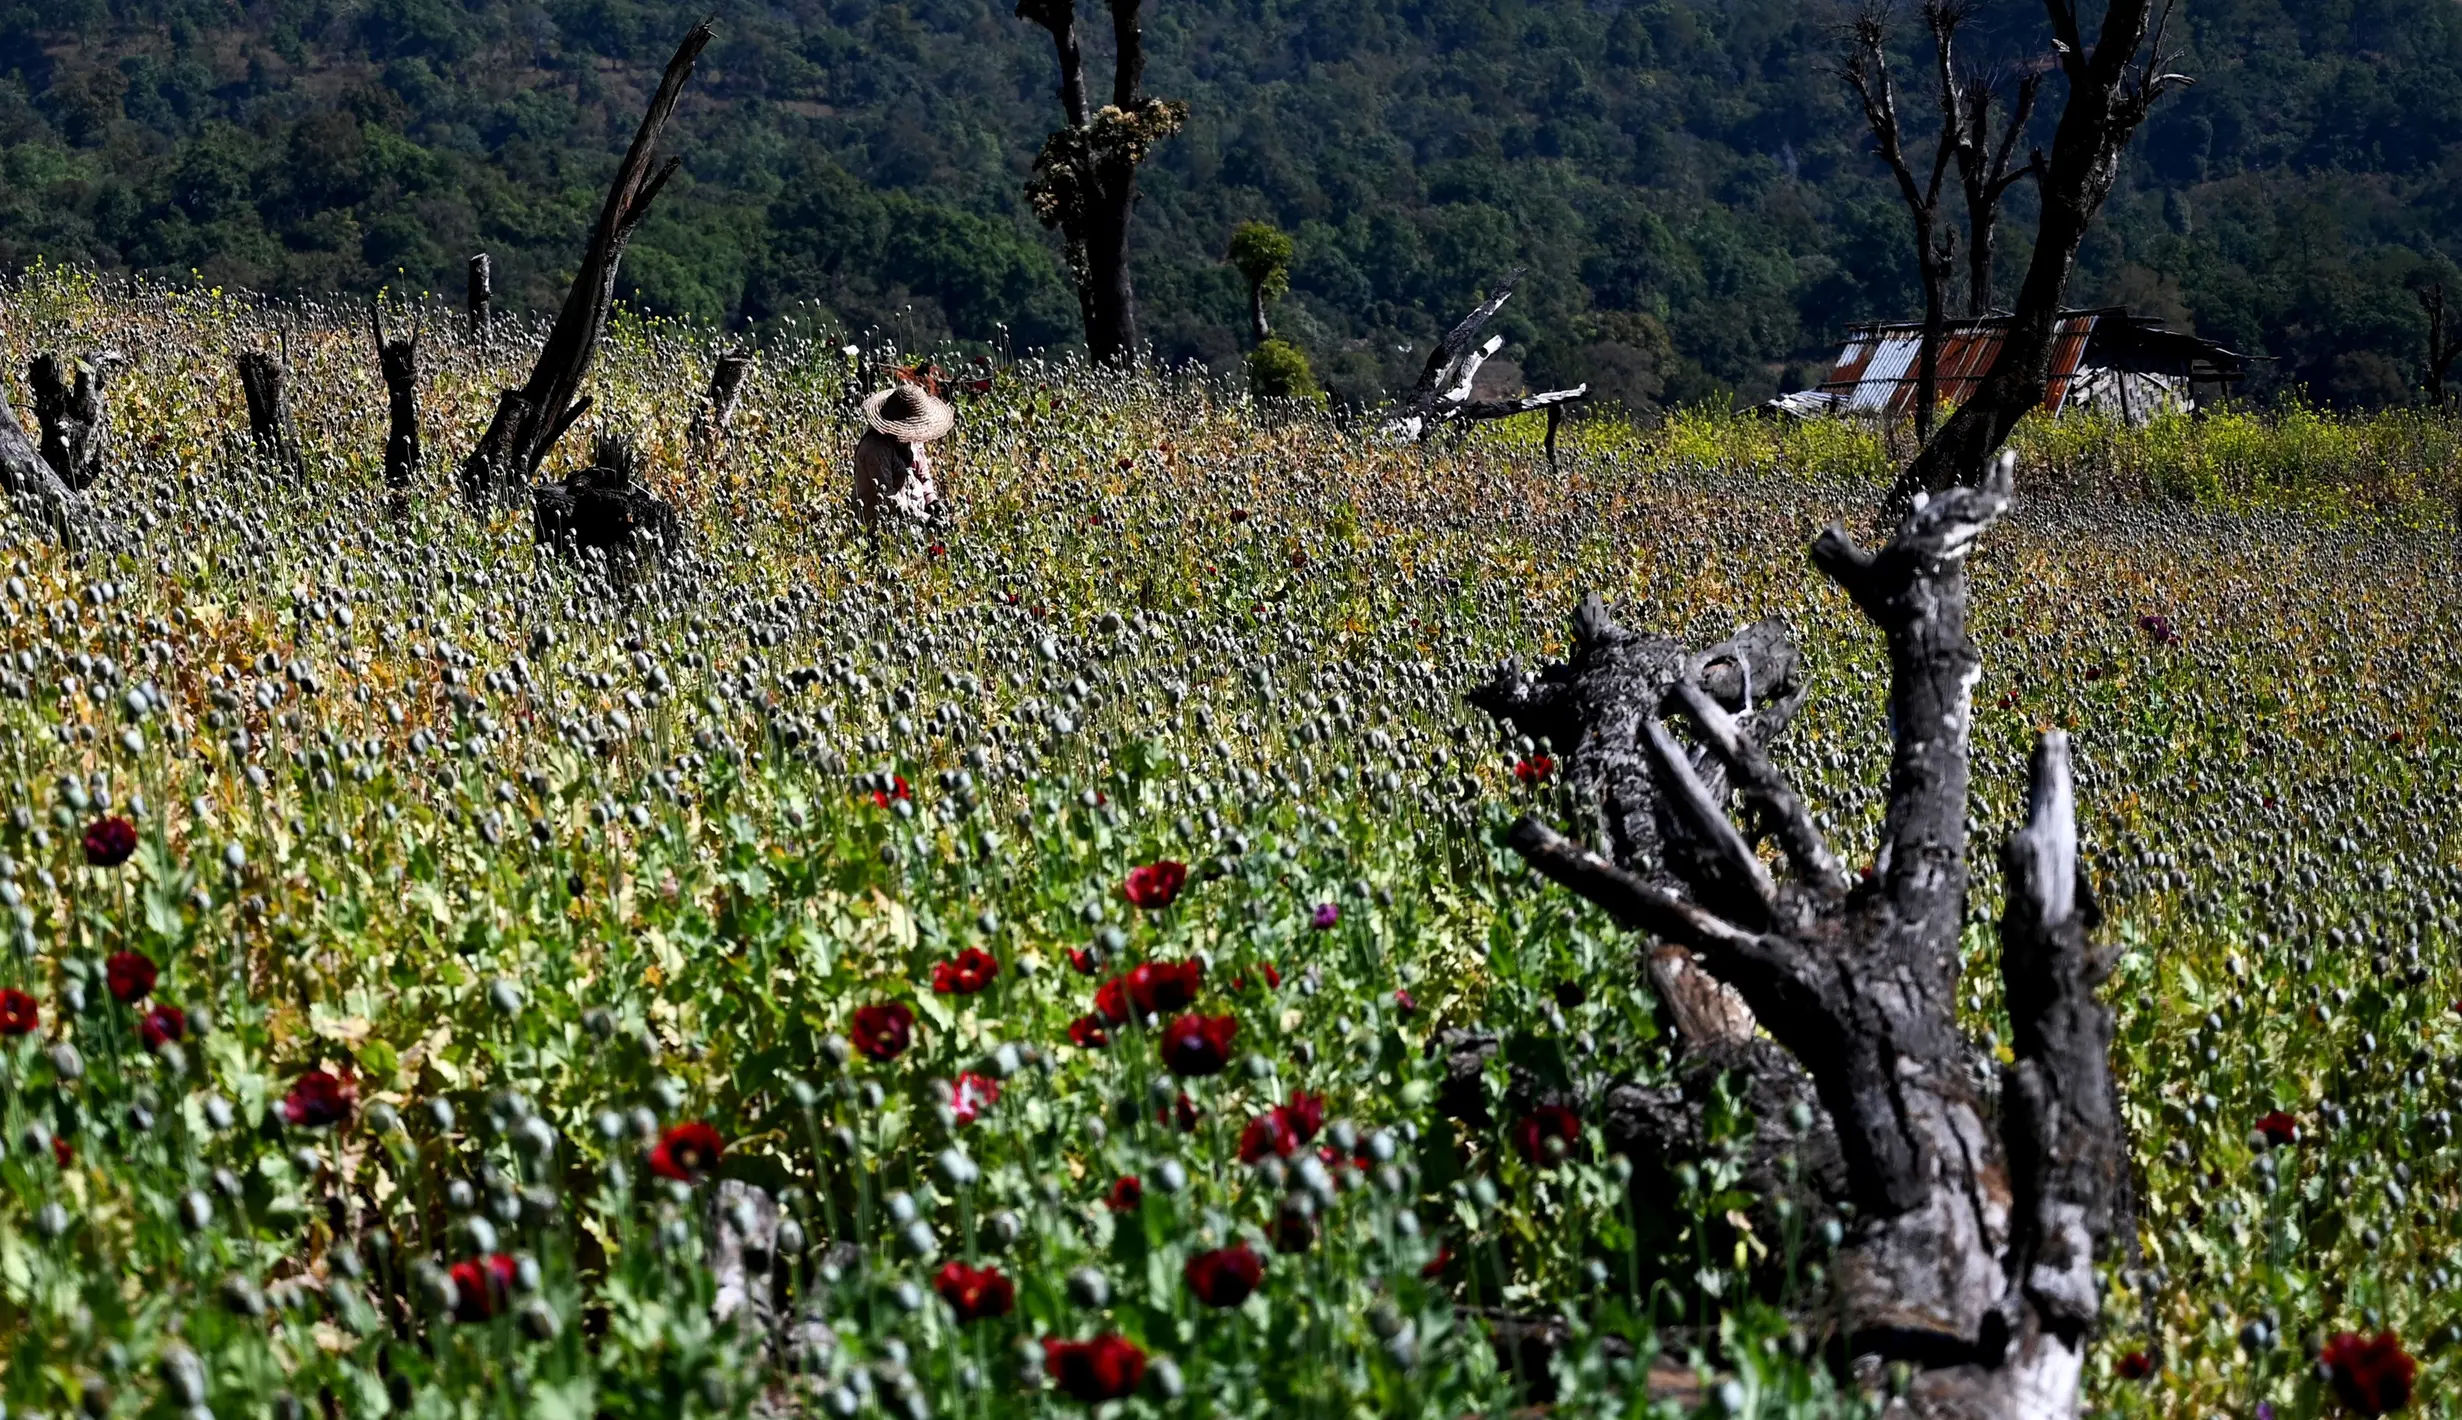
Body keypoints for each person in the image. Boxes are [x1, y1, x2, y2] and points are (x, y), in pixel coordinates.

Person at [853, 382, 954, 530]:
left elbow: (922, 474)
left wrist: (932, 501)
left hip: (915, 518)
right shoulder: (875, 449)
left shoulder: (913, 438)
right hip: (882, 527)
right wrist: (926, 519)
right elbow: (887, 499)